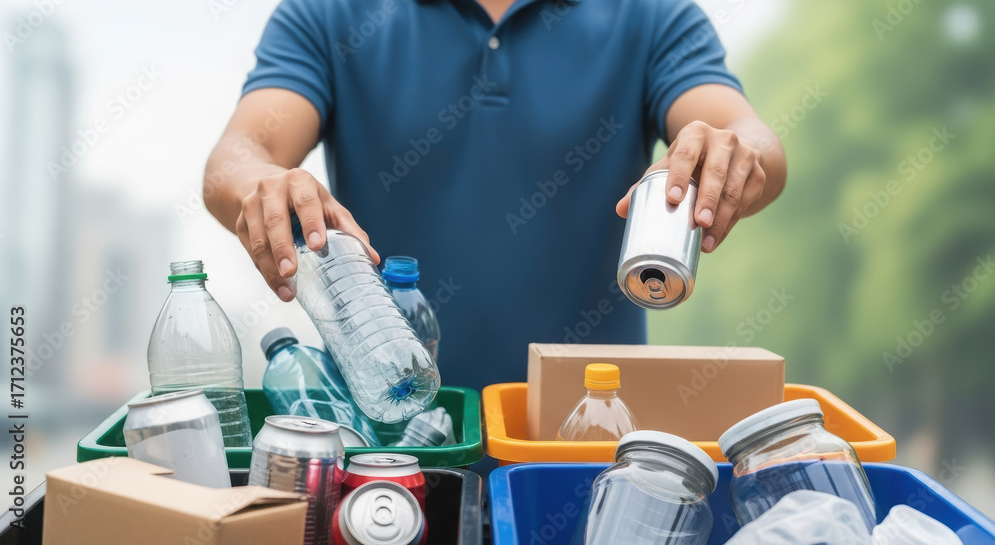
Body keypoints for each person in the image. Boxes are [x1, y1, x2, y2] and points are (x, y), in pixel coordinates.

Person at [203, 0, 787, 391]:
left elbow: (753, 138)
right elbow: (236, 156)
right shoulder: (328, 14)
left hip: (587, 432)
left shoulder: (652, 15)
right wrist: (261, 182)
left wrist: (736, 153)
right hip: (384, 438)